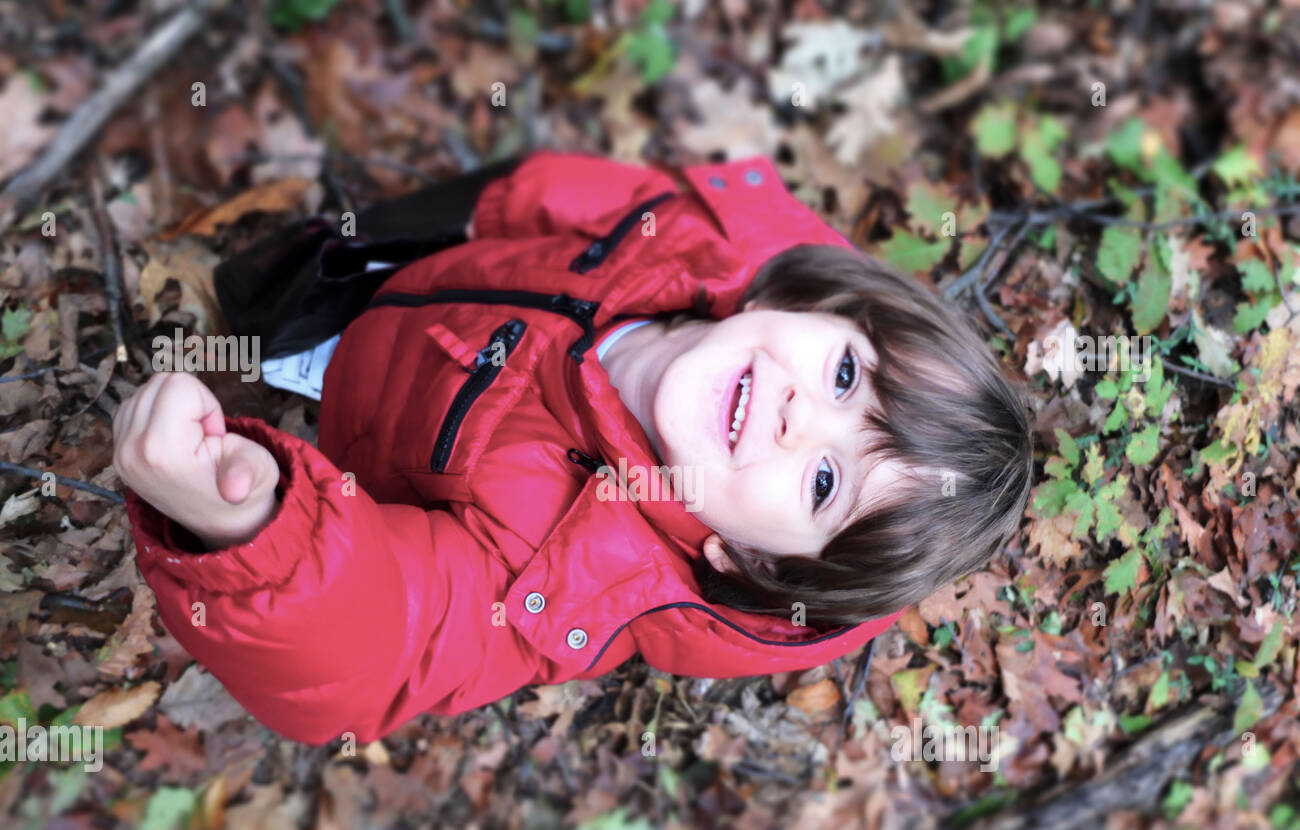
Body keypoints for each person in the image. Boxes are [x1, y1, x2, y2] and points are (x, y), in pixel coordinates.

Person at [113, 150, 1034, 745]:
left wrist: (255, 529)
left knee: (299, 357)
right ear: (803, 308)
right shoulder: (717, 245)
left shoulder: (561, 565)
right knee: (292, 281)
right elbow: (611, 197)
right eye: (843, 378)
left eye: (826, 481)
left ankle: (300, 366)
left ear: (741, 556)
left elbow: (392, 638)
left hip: (364, 432)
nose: (801, 416)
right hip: (448, 286)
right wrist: (495, 206)